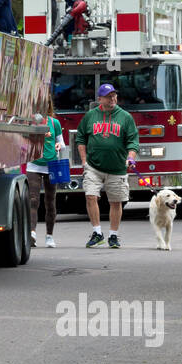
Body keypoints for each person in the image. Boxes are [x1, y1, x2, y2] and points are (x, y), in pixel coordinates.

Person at [74, 83, 140, 248]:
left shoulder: (125, 117)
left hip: (117, 167)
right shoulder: (90, 116)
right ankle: (97, 233)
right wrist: (84, 161)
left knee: (116, 202)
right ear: (100, 99)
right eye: (109, 96)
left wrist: (131, 158)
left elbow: (133, 141)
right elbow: (81, 138)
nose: (112, 99)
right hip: (94, 167)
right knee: (90, 196)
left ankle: (113, 236)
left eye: (114, 95)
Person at [23, 112, 65, 248]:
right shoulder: (30, 121)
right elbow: (23, 141)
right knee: (33, 200)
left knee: (50, 202)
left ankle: (49, 236)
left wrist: (58, 146)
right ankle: (32, 233)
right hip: (34, 164)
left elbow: (61, 143)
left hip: (51, 165)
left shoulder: (54, 123)